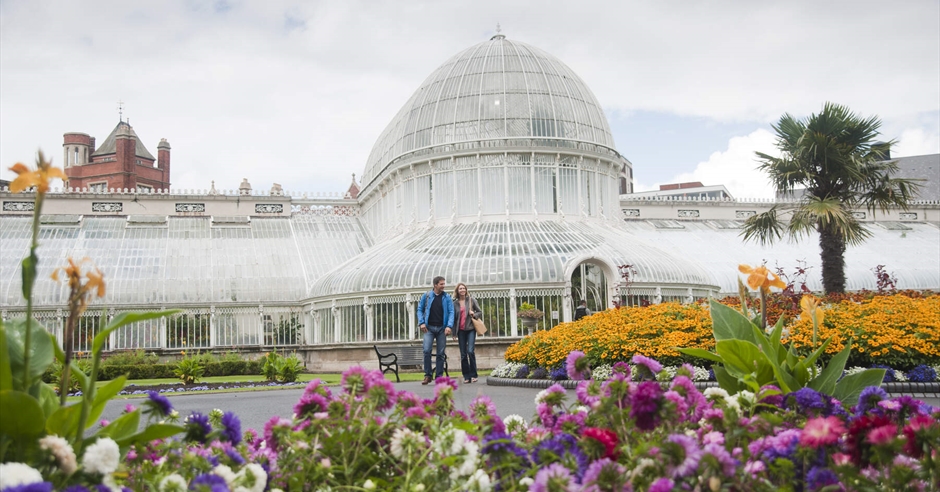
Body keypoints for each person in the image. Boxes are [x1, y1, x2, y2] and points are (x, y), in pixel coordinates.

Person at [417, 276, 454, 384]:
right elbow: (419, 309)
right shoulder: (427, 296)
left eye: (444, 284)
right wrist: (421, 322)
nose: (443, 286)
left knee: (440, 354)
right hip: (429, 329)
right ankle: (428, 375)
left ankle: (439, 377)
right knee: (427, 350)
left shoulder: (447, 297)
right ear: (435, 285)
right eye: (441, 284)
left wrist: (449, 326)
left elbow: (451, 312)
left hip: (442, 329)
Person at [452, 283, 482, 384]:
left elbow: (480, 312)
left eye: (463, 288)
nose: (462, 290)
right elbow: (454, 319)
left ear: (466, 290)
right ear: (457, 291)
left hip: (470, 329)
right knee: (463, 354)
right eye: (460, 289)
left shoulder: (471, 300)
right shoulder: (455, 304)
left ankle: (474, 375)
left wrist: (474, 314)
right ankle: (466, 376)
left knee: (470, 351)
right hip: (460, 331)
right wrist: (454, 333)